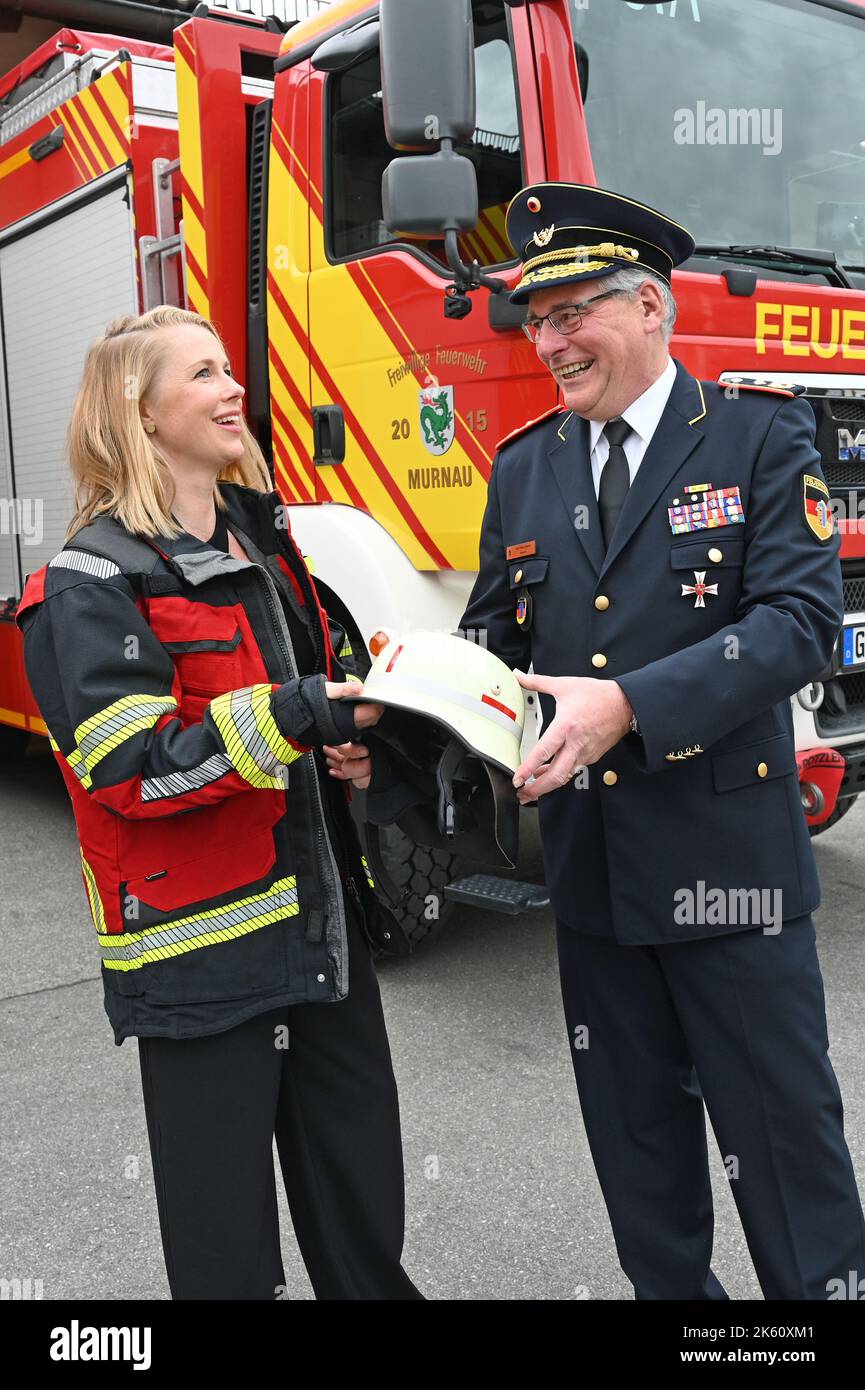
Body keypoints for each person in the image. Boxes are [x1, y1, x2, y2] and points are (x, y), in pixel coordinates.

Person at [458, 182, 865, 1300]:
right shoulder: (523, 465)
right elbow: (494, 634)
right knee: (637, 1157)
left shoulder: (757, 433)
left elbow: (795, 625)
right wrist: (419, 703)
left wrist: (627, 706)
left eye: (572, 310)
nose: (548, 340)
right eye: (535, 319)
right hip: (592, 879)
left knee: (785, 1155)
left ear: (649, 307)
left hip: (728, 874)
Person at [15, 305, 422, 1302]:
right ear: (141, 413)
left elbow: (302, 714)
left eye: (228, 368)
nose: (232, 387)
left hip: (321, 943)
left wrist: (351, 747)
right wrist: (292, 715)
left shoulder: (265, 540)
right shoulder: (89, 579)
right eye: (202, 374)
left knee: (364, 1220)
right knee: (225, 1256)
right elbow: (131, 768)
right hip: (200, 965)